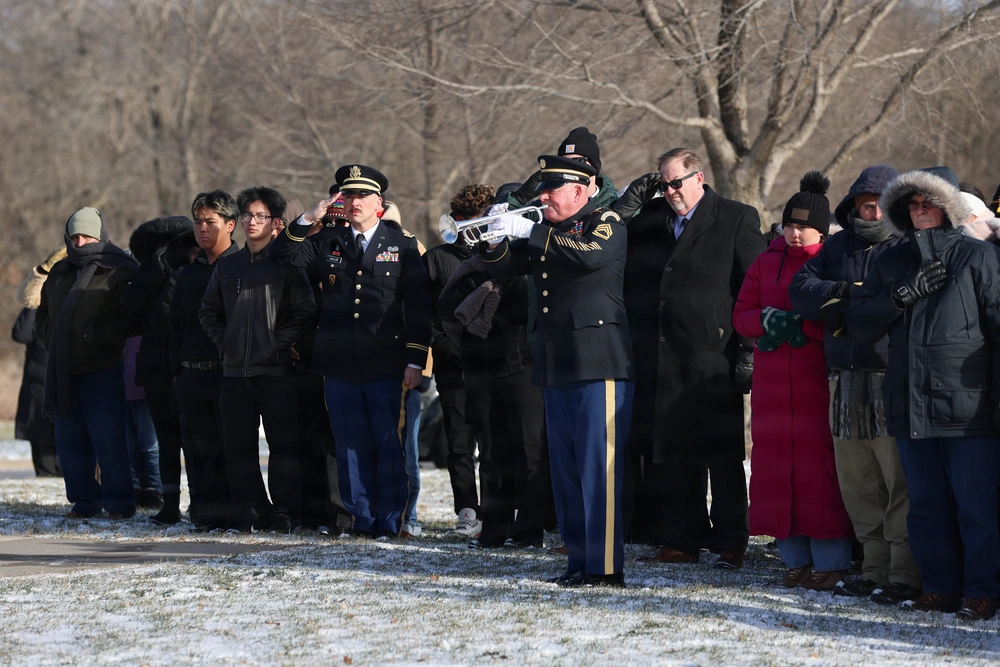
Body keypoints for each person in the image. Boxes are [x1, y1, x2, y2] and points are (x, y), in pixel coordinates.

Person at [847, 166, 1000, 620]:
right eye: (912, 204)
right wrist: (900, 295)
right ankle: (939, 587)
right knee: (926, 507)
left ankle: (982, 590)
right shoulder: (890, 261)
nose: (919, 211)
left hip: (969, 408)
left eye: (927, 203)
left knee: (976, 506)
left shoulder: (979, 258)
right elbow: (859, 324)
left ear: (947, 207)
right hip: (909, 405)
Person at [481, 154, 634, 586]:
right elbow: (508, 268)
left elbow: (589, 257)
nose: (543, 197)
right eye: (542, 190)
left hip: (597, 359)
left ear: (580, 191)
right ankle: (579, 561)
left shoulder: (605, 222)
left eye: (552, 190)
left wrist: (533, 231)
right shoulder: (548, 232)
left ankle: (605, 567)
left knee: (597, 468)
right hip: (556, 360)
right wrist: (495, 242)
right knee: (566, 469)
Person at [270, 165, 432, 538]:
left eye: (362, 196)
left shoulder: (401, 245)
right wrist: (309, 217)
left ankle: (390, 520)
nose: (353, 202)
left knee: (387, 444)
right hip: (339, 363)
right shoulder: (328, 240)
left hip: (386, 363)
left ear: (380, 203)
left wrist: (415, 359)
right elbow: (281, 255)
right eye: (348, 195)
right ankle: (361, 519)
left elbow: (420, 307)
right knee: (350, 444)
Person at [622, 148, 764, 569]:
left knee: (720, 457)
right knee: (673, 456)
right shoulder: (654, 219)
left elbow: (750, 287)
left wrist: (745, 350)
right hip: (665, 356)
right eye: (663, 185)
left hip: (713, 357)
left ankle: (731, 542)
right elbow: (609, 232)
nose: (670, 192)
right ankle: (682, 539)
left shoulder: (736, 217)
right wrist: (633, 198)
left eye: (676, 183)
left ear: (698, 177)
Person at [789, 165, 922, 604]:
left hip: (890, 373)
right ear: (855, 206)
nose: (874, 211)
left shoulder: (907, 245)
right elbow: (800, 290)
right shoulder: (838, 245)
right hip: (843, 375)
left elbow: (905, 300)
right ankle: (872, 568)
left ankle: (903, 573)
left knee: (896, 478)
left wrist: (858, 302)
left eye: (882, 204)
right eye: (867, 204)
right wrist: (849, 295)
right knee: (858, 480)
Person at [733, 172, 855, 590]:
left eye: (804, 227)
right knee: (774, 471)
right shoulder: (765, 261)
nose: (796, 233)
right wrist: (765, 320)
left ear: (821, 229)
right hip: (770, 388)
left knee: (818, 471)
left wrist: (808, 327)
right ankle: (795, 560)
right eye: (790, 225)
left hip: (814, 383)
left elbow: (844, 314)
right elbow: (741, 313)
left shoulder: (832, 261)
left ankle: (830, 561)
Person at [200, 186, 316, 533]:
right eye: (247, 215)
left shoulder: (287, 263)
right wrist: (226, 343)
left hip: (277, 372)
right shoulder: (227, 266)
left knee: (283, 449)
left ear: (276, 223)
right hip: (234, 374)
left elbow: (305, 311)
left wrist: (278, 343)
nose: (252, 221)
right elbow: (208, 311)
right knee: (238, 449)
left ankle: (284, 512)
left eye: (260, 216)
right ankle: (249, 510)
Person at [35, 207, 140, 519]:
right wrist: (50, 335)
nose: (81, 242)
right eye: (75, 236)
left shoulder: (118, 270)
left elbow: (129, 319)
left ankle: (120, 504)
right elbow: (43, 312)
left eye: (87, 236)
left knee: (109, 441)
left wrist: (93, 337)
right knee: (70, 443)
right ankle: (84, 502)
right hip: (63, 371)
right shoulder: (60, 272)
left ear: (100, 236)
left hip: (102, 369)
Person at [169, 190, 242, 528]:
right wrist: (176, 373)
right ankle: (203, 512)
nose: (202, 229)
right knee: (196, 450)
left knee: (228, 449)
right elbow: (175, 327)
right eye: (198, 222)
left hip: (227, 373)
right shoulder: (187, 274)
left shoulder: (243, 268)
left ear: (230, 225)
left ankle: (231, 513)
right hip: (190, 375)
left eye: (209, 222)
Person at [423, 183, 493, 536]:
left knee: (495, 443)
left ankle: (498, 510)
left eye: (477, 220)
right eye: (464, 220)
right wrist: (440, 342)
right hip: (452, 365)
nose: (470, 228)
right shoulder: (436, 258)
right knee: (459, 444)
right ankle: (467, 510)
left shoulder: (501, 253)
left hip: (493, 364)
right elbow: (422, 311)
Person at [125, 215, 194, 512]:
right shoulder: (147, 275)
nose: (167, 251)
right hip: (155, 367)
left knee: (194, 440)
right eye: (161, 246)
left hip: (188, 366)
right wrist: (158, 270)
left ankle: (201, 501)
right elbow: (130, 310)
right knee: (165, 442)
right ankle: (168, 503)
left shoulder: (194, 272)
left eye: (173, 245)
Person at [13, 247, 66, 477]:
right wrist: (37, 289)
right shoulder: (37, 304)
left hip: (65, 387)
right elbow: (21, 334)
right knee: (44, 462)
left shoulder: (71, 299)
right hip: (37, 388)